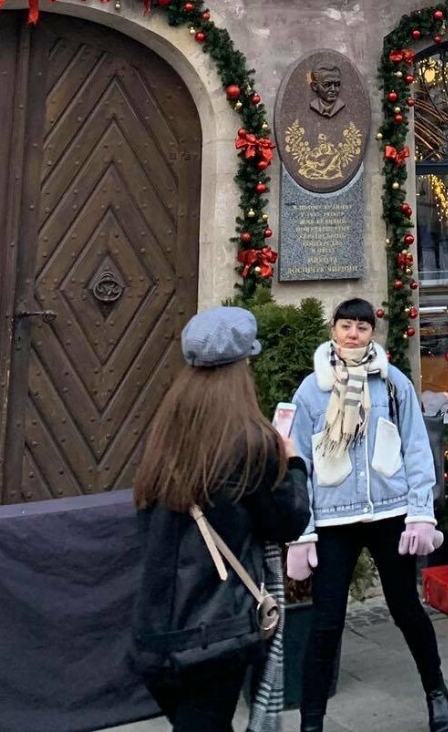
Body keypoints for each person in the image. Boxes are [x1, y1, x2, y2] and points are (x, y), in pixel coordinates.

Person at [131, 305, 311, 732]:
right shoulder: (250, 441)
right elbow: (288, 522)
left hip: (156, 630)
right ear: (241, 368)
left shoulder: (166, 433)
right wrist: (293, 463)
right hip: (214, 633)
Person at [286, 298, 448, 732]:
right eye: (346, 326)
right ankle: (311, 722)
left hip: (389, 514)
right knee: (325, 624)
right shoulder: (311, 390)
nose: (353, 334)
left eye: (361, 328)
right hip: (334, 521)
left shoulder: (393, 384)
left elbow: (416, 448)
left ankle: (436, 692)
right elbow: (297, 462)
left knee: (406, 609)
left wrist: (420, 513)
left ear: (371, 334)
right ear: (333, 330)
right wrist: (302, 533)